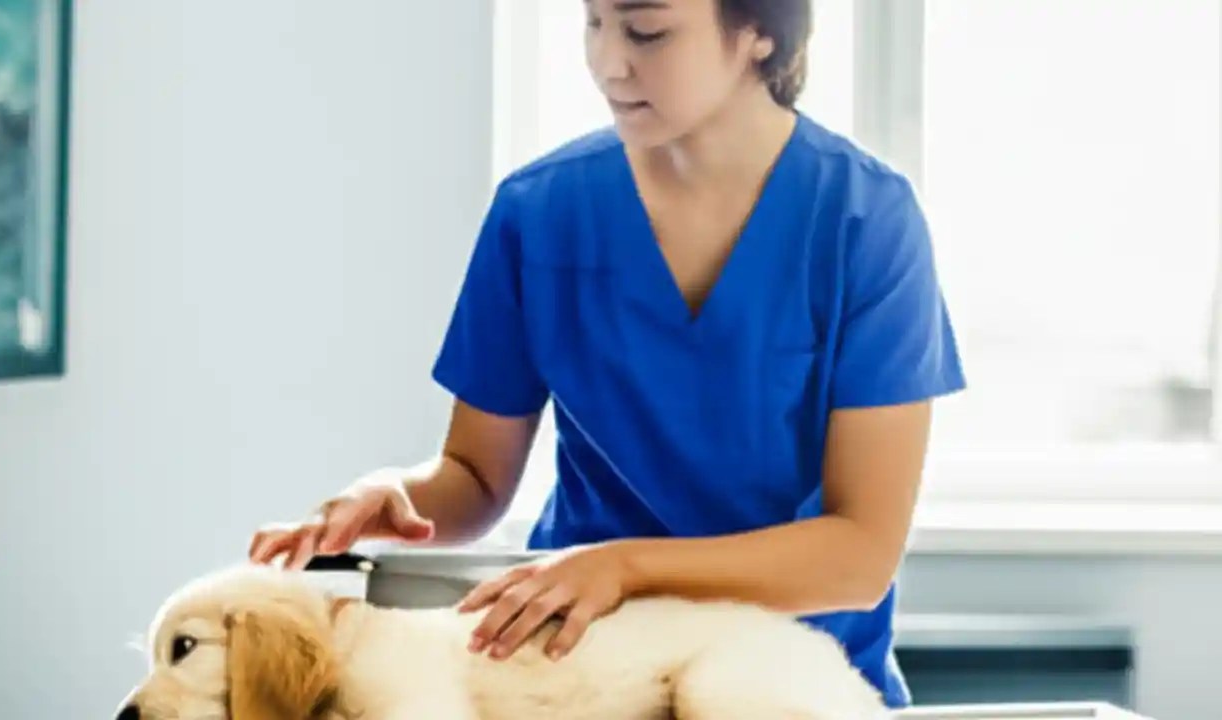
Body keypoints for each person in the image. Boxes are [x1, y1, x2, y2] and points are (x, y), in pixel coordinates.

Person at [249, 0, 965, 709]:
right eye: (594, 23)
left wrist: (626, 568)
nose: (607, 62)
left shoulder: (865, 219)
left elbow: (858, 556)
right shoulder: (538, 212)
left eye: (646, 31)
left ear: (757, 33)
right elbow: (474, 476)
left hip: (791, 682)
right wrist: (399, 498)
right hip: (580, 675)